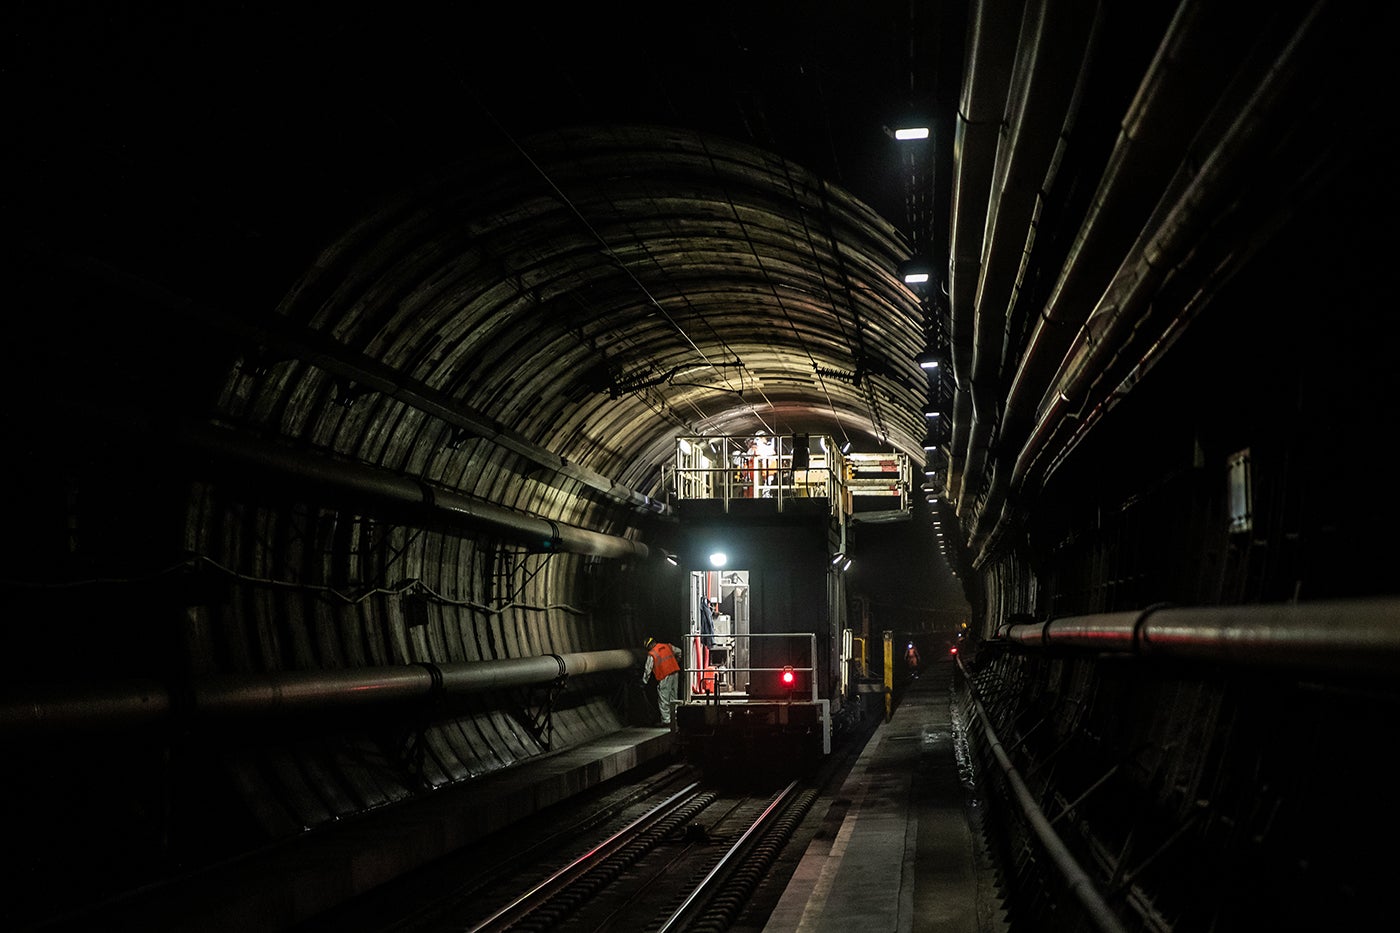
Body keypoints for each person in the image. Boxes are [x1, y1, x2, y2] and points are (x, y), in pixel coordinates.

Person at [642, 635, 682, 724]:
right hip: (675, 671)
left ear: (649, 645)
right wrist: (677, 661)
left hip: (665, 675)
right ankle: (675, 717)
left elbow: (648, 669)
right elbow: (680, 652)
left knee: (664, 698)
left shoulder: (652, 653)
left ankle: (667, 720)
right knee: (673, 696)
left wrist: (644, 681)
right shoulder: (667, 646)